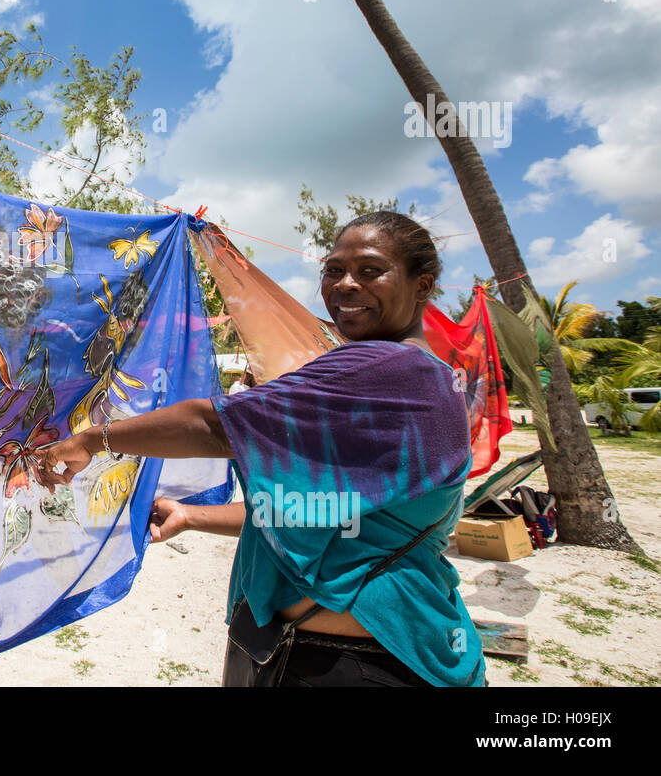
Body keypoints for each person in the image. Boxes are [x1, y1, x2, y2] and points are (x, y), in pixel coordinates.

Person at [33, 211, 485, 687]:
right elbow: (312, 511)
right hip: (337, 652)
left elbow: (213, 425)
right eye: (333, 270)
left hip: (358, 663)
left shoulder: (387, 368)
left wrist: (93, 438)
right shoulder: (422, 376)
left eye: (370, 270)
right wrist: (192, 516)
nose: (346, 284)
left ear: (422, 285)